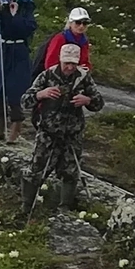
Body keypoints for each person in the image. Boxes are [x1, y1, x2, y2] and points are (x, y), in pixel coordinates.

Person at [21, 43, 104, 219]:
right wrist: (40, 95)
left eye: (73, 63)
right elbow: (25, 101)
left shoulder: (83, 78)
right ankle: (26, 208)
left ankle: (64, 210)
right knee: (36, 171)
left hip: (72, 136)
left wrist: (87, 100)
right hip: (48, 134)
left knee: (70, 172)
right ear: (60, 59)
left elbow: (99, 103)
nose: (69, 67)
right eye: (66, 63)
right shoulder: (47, 75)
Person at [0, 0, 38, 142]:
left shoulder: (25, 6)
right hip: (2, 50)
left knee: (15, 90)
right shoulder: (1, 6)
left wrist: (15, 15)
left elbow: (27, 29)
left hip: (18, 52)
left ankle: (15, 128)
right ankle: (0, 127)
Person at [41, 7, 92, 71]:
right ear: (70, 23)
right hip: (57, 77)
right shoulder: (60, 38)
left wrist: (84, 69)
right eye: (78, 22)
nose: (81, 26)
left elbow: (85, 63)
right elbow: (50, 64)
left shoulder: (84, 41)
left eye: (85, 23)